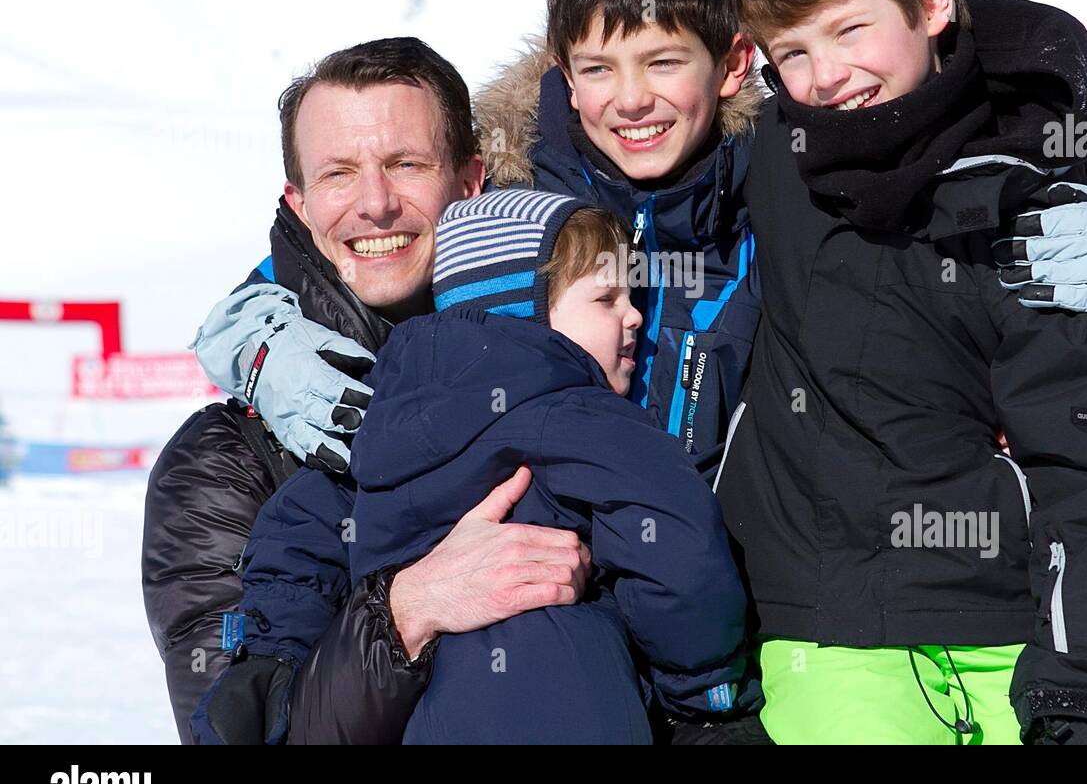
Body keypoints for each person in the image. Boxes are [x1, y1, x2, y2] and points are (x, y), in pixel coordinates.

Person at [186, 0, 1087, 744]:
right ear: (563, 79)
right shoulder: (513, 204)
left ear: (726, 67)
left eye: (664, 61)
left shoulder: (780, 192)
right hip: (546, 670)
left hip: (741, 654)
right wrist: (257, 328)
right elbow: (350, 255)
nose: (631, 100)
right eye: (599, 70)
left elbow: (946, 268)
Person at [716, 0, 1087, 744]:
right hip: (829, 633)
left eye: (851, 30)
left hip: (1010, 629)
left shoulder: (1033, 207)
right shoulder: (769, 159)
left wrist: (1081, 688)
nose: (826, 79)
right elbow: (625, 140)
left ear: (932, 1)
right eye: (793, 53)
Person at [141, 38, 594, 744]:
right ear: (300, 202)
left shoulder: (569, 375)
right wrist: (408, 608)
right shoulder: (223, 462)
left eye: (406, 165)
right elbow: (243, 732)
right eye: (339, 174)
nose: (376, 205)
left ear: (471, 179)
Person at [196, 191, 757, 744]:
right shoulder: (581, 412)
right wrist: (699, 682)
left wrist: (275, 655)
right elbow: (676, 535)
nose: (635, 315)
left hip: (424, 713)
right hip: (563, 697)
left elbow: (300, 526)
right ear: (530, 313)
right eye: (606, 299)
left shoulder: (383, 415)